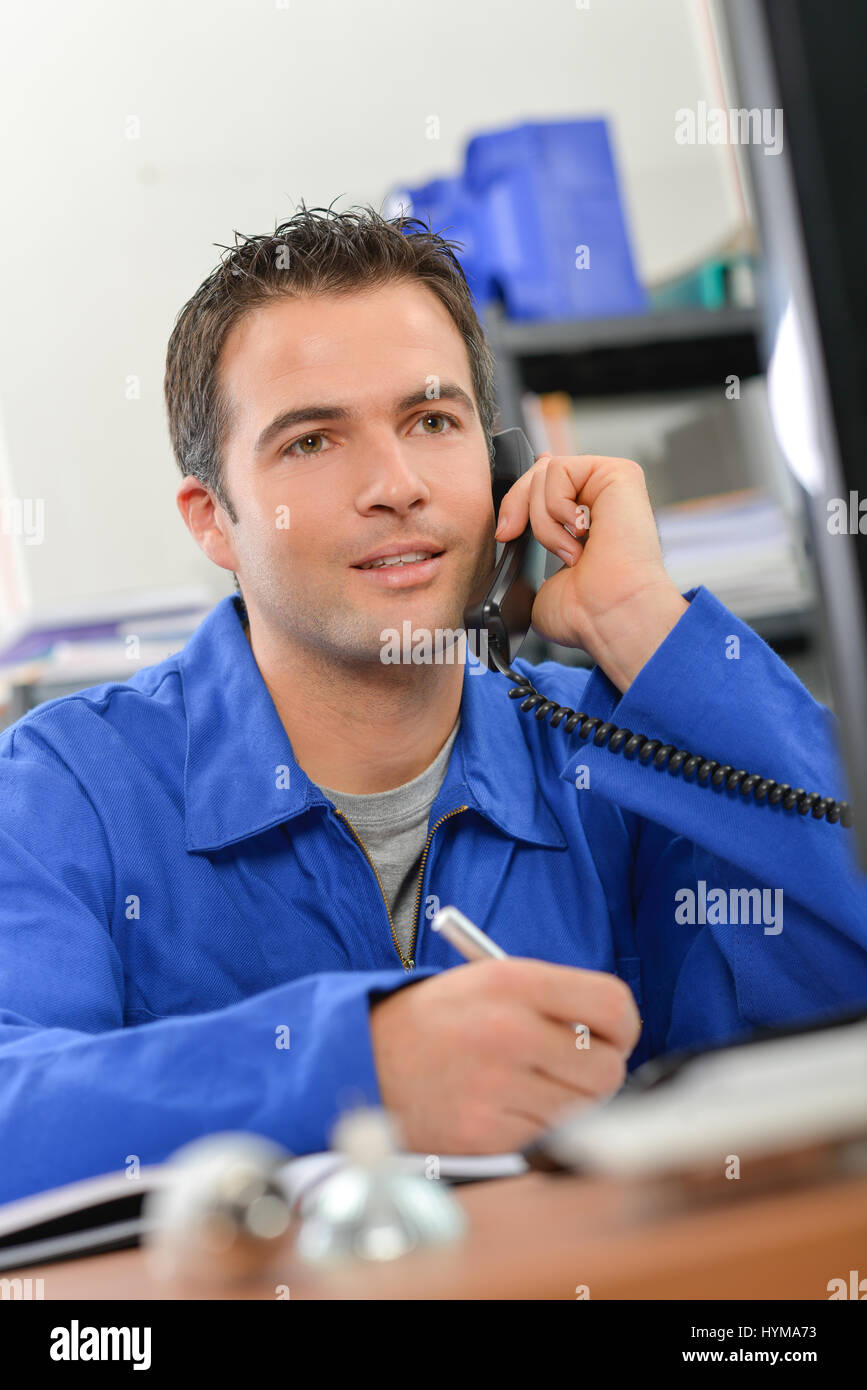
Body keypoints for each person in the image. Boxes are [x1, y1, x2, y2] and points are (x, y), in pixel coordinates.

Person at [1, 205, 865, 1205]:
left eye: (433, 421)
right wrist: (356, 1065)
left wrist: (646, 626)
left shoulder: (625, 758)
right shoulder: (64, 789)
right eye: (314, 440)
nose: (398, 484)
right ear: (215, 520)